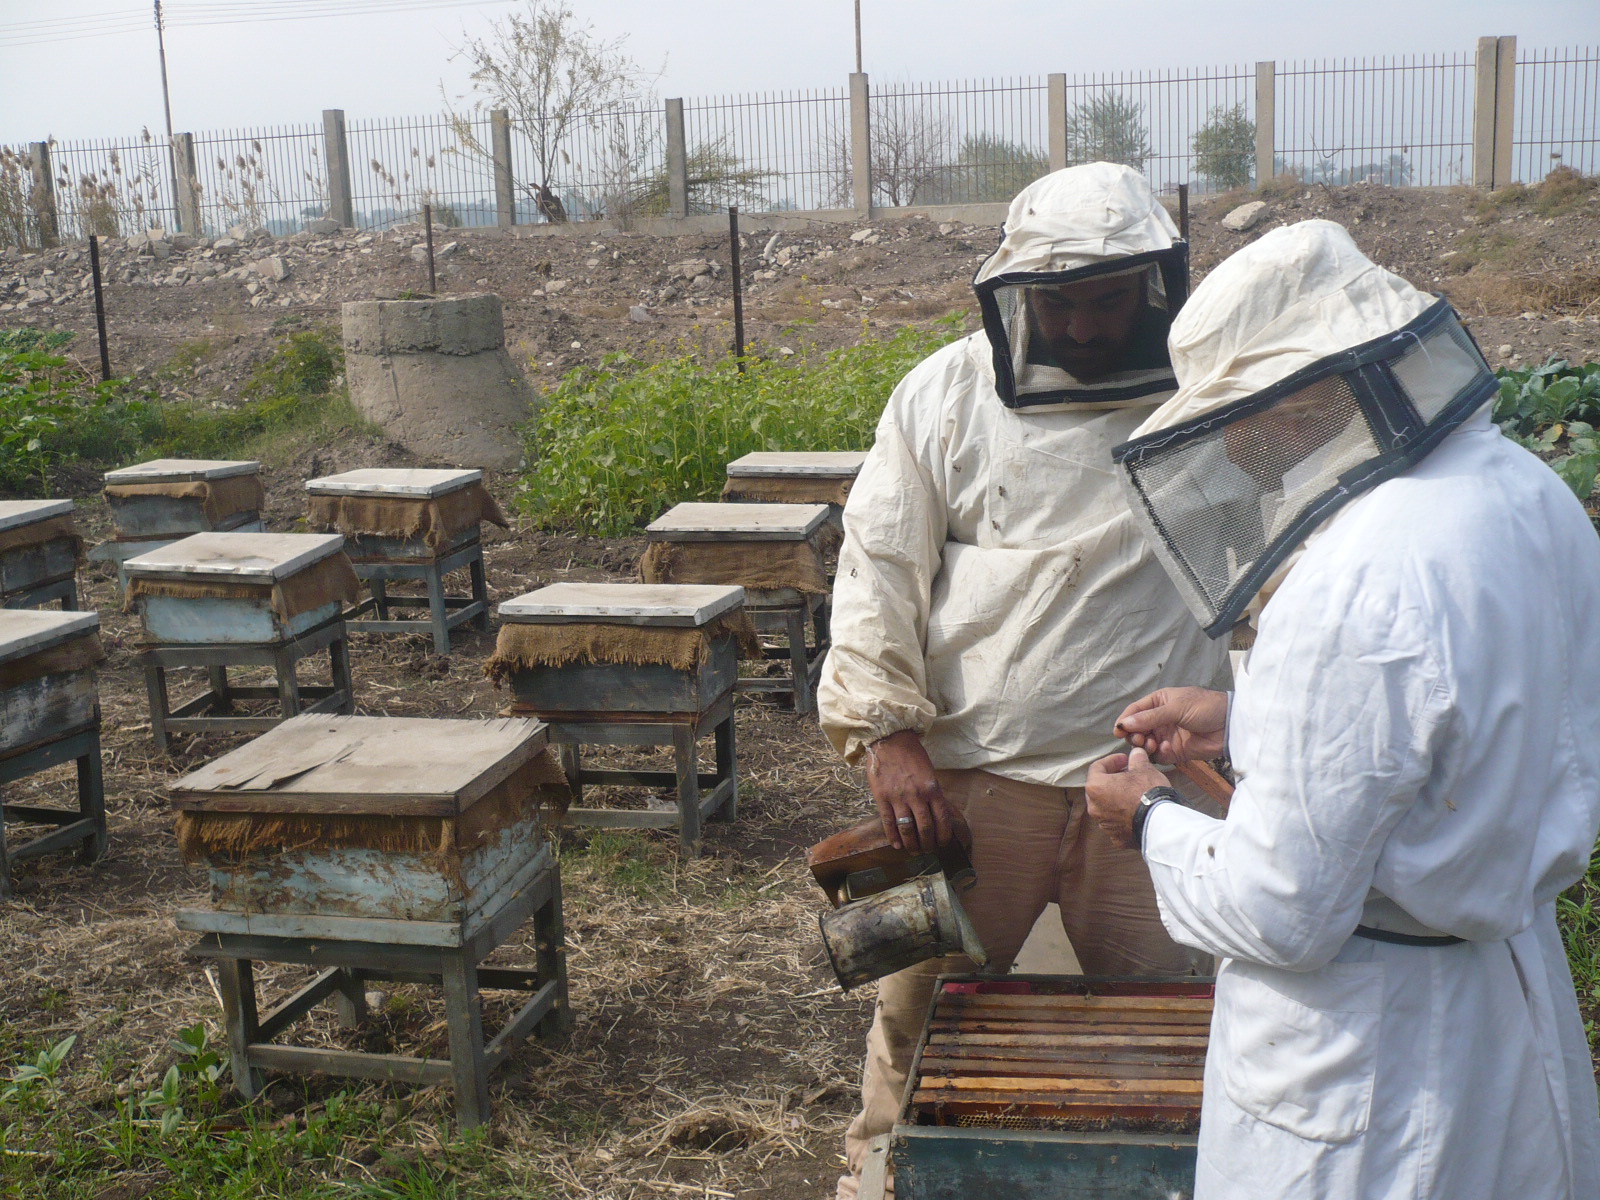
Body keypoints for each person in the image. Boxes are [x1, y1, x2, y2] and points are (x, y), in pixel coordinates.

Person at [1086, 220, 1600, 1199]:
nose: (1232, 447)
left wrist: (1147, 819)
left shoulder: (1351, 578)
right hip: (1506, 1004)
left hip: (1368, 1056)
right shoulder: (1528, 497)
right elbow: (1456, 725)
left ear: (1306, 398)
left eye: (1234, 416)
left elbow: (1279, 912)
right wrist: (1246, 723)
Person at [817, 162, 1230, 1199]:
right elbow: (878, 567)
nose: (1085, 331)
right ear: (1014, 295)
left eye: (1104, 302)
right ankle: (879, 1176)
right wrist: (885, 734)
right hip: (970, 783)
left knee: (1162, 1018)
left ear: (1152, 286)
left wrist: (1249, 729)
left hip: (1147, 785)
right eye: (1059, 304)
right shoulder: (943, 393)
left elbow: (1263, 578)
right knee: (917, 1009)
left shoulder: (1212, 394)